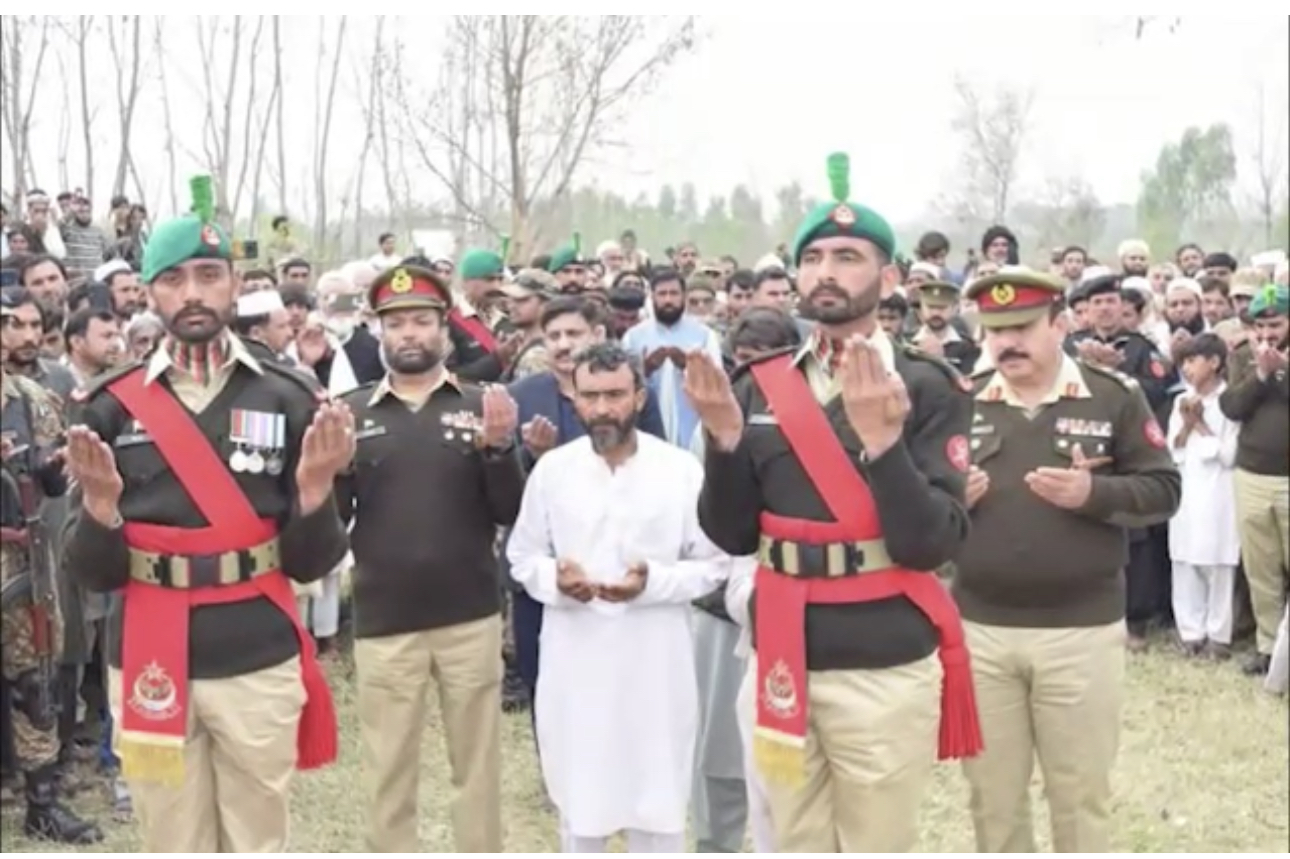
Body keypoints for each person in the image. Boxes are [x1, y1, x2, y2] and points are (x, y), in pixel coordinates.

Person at [684, 153, 980, 852]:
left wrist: (884, 445)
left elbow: (930, 542)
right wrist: (723, 442)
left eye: (848, 257)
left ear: (890, 278)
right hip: (782, 653)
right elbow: (731, 534)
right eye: (812, 258)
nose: (825, 272)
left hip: (882, 658)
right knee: (791, 840)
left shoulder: (928, 386)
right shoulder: (758, 384)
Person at [60, 176, 353, 853]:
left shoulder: (288, 397)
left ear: (235, 285)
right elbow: (92, 573)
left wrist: (315, 491)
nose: (192, 292)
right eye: (173, 278)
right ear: (147, 291)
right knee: (172, 838)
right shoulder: (108, 406)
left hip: (255, 650)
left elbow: (313, 561)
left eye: (209, 275)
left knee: (257, 837)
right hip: (147, 652)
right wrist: (100, 509)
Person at [953, 269, 1181, 852]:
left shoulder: (1112, 396)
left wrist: (1094, 494)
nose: (1007, 342)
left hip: (1080, 633)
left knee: (1080, 798)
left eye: (1023, 327)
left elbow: (1164, 490)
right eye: (995, 330)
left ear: (1060, 326)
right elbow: (916, 498)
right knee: (992, 802)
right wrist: (950, 500)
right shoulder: (960, 398)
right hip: (981, 633)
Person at [507, 342, 728, 853]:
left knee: (658, 804)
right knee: (582, 805)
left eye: (614, 395)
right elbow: (522, 556)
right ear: (574, 399)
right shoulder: (553, 471)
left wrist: (651, 582)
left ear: (640, 397)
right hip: (576, 657)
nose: (602, 408)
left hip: (656, 660)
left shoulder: (680, 470)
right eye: (590, 396)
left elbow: (713, 564)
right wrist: (556, 579)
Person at [335, 264, 525, 853]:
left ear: (445, 329)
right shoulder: (352, 412)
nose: (409, 334)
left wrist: (500, 451)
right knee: (388, 770)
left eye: (421, 321)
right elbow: (333, 517)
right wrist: (330, 468)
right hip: (386, 620)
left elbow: (510, 509)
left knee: (477, 767)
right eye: (396, 324)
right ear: (379, 333)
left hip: (469, 616)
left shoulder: (481, 403)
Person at [1, 307, 102, 844]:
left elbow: (56, 485)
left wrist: (50, 467)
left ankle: (42, 804)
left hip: (22, 561)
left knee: (35, 680)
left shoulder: (31, 399)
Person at [1219, 283, 1289, 676]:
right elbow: (1231, 406)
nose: (1266, 334)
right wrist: (1261, 374)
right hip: (1252, 474)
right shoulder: (1244, 354)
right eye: (1260, 326)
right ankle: (1268, 647)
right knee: (1262, 568)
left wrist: (1281, 372)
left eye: (1275, 325)